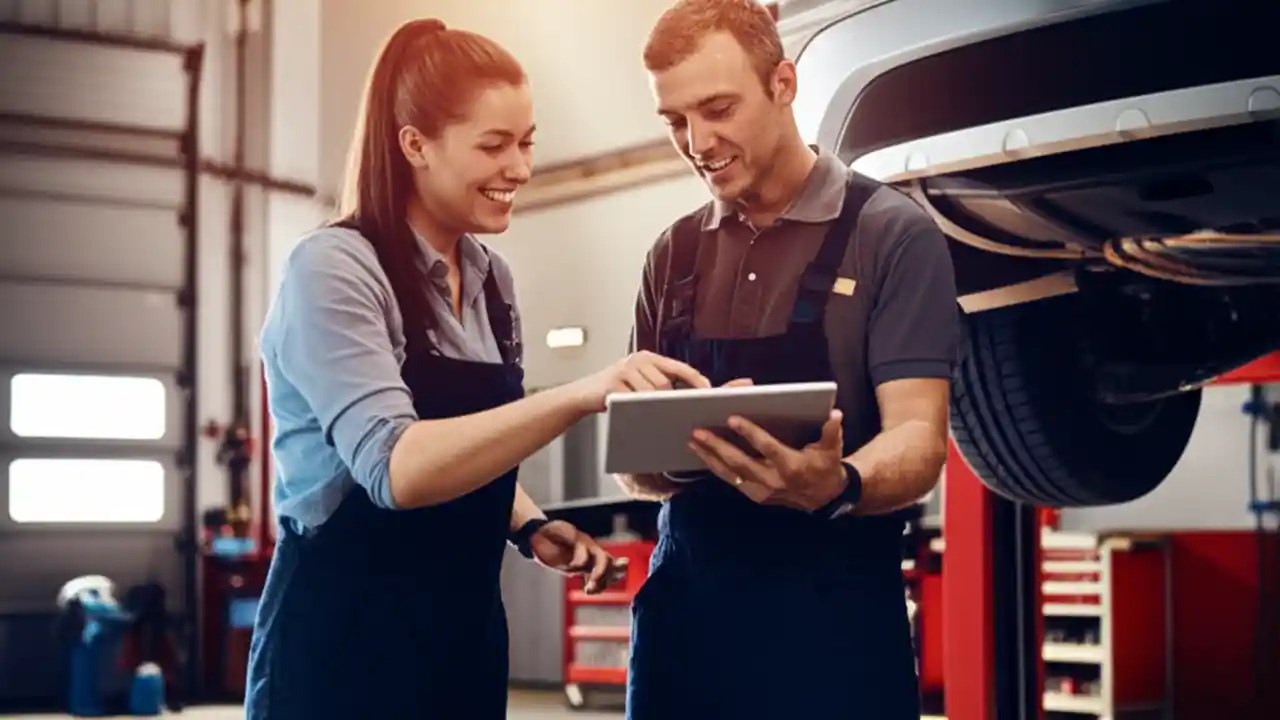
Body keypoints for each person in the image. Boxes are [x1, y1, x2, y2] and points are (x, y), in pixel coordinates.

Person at [245, 19, 711, 720]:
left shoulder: (492, 280)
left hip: (460, 644)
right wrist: (580, 394)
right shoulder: (334, 269)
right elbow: (396, 467)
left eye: (527, 143)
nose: (520, 169)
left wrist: (526, 523)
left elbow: (465, 437)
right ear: (414, 145)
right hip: (342, 652)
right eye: (493, 145)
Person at [618, 1, 961, 718]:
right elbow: (634, 467)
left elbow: (919, 438)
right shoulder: (671, 254)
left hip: (830, 625)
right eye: (675, 121)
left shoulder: (893, 235)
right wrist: (688, 448)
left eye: (718, 109)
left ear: (783, 83)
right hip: (686, 619)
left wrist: (836, 483)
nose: (698, 141)